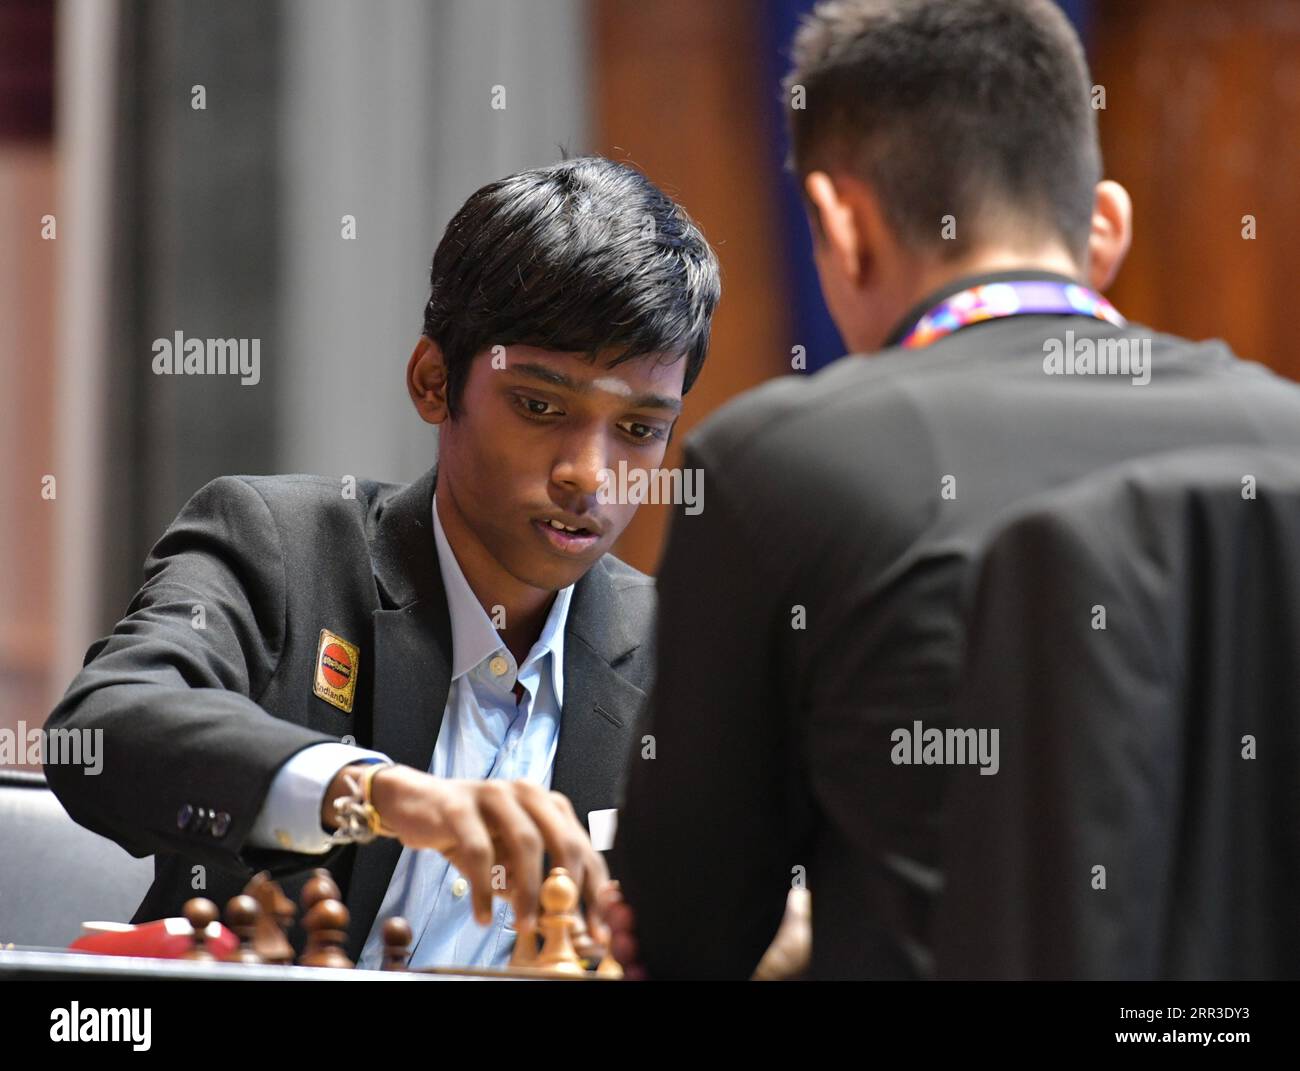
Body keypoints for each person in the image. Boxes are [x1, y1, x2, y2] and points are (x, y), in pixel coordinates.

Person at [609, 0, 1300, 979]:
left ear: (838, 225)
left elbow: (680, 931)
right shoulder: (1286, 432)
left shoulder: (780, 463)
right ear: (1104, 226)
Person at [44, 155, 720, 969]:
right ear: (435, 383)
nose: (589, 473)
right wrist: (368, 791)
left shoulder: (685, 652)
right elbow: (103, 730)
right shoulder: (281, 547)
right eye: (541, 407)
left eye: (641, 430)